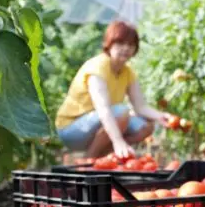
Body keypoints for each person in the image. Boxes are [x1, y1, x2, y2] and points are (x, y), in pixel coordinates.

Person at [55, 20, 171, 159]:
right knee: (121, 112)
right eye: (120, 43)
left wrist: (161, 117)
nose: (126, 48)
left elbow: (140, 107)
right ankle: (89, 162)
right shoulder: (98, 66)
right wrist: (117, 141)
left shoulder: (128, 72)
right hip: (72, 129)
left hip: (100, 125)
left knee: (146, 127)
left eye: (130, 44)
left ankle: (108, 158)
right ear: (109, 44)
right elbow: (103, 109)